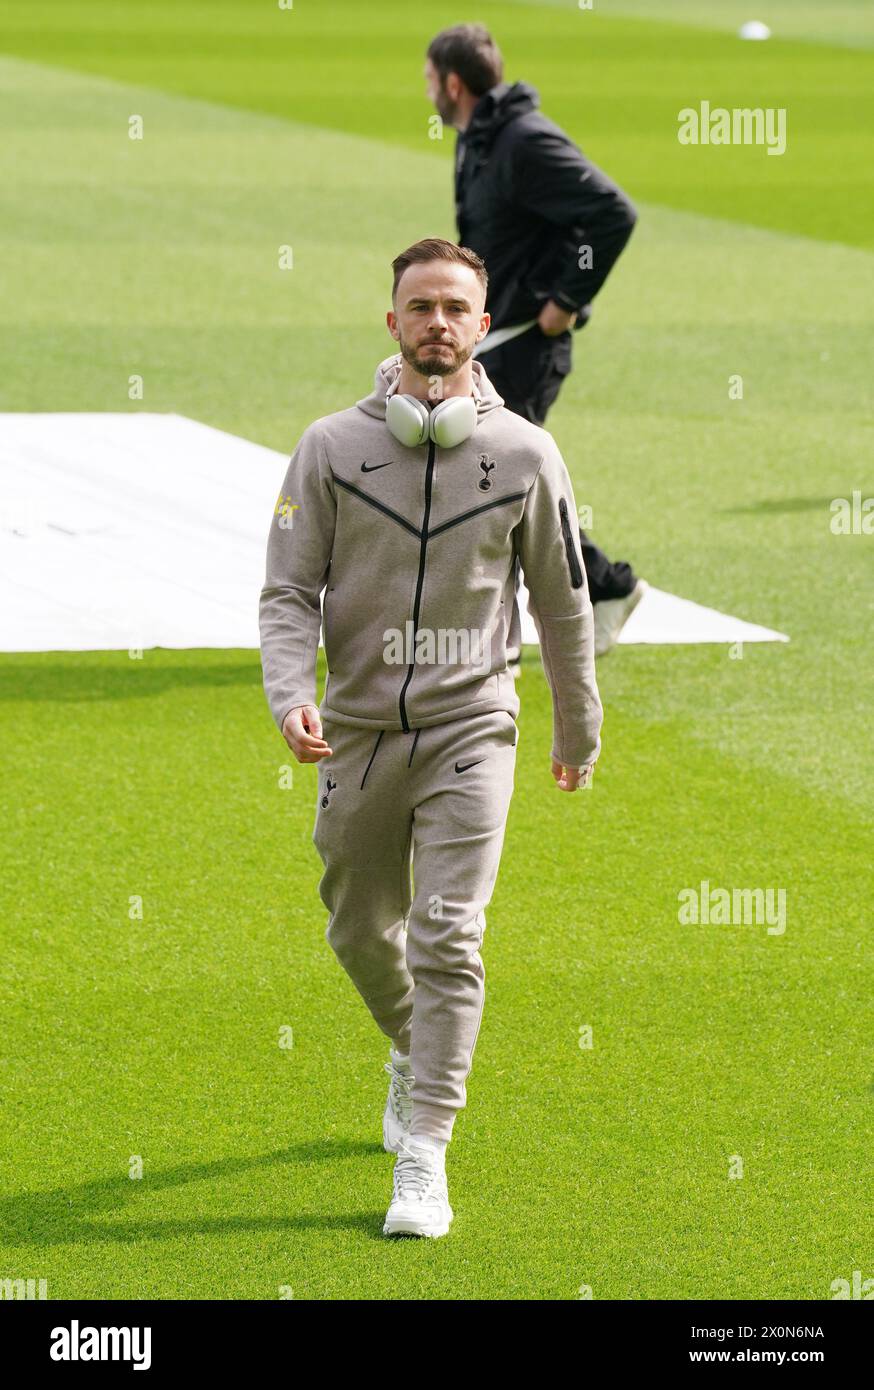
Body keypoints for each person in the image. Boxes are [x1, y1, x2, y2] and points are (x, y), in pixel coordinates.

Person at [259, 238, 603, 1239]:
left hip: (472, 725)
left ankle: (425, 1152)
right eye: (421, 307)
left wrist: (576, 727)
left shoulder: (528, 454)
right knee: (360, 929)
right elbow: (286, 594)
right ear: (393, 322)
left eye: (458, 306)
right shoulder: (326, 448)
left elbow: (563, 604)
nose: (439, 323)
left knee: (450, 929)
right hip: (358, 731)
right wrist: (291, 697)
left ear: (480, 321)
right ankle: (416, 1050)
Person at [425, 22, 648, 656]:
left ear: (453, 82)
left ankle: (596, 590)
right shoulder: (479, 142)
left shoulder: (521, 141)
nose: (427, 92)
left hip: (529, 343)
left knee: (497, 479)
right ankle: (593, 591)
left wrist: (567, 297)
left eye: (428, 80)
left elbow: (612, 212)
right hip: (497, 340)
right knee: (497, 481)